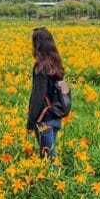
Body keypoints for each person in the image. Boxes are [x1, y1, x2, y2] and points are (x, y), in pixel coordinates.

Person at [27, 26, 67, 160]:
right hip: (56, 117)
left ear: (37, 45)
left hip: (44, 120)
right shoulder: (57, 65)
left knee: (48, 159)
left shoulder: (41, 67)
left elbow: (37, 97)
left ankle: (53, 179)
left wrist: (31, 123)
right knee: (48, 156)